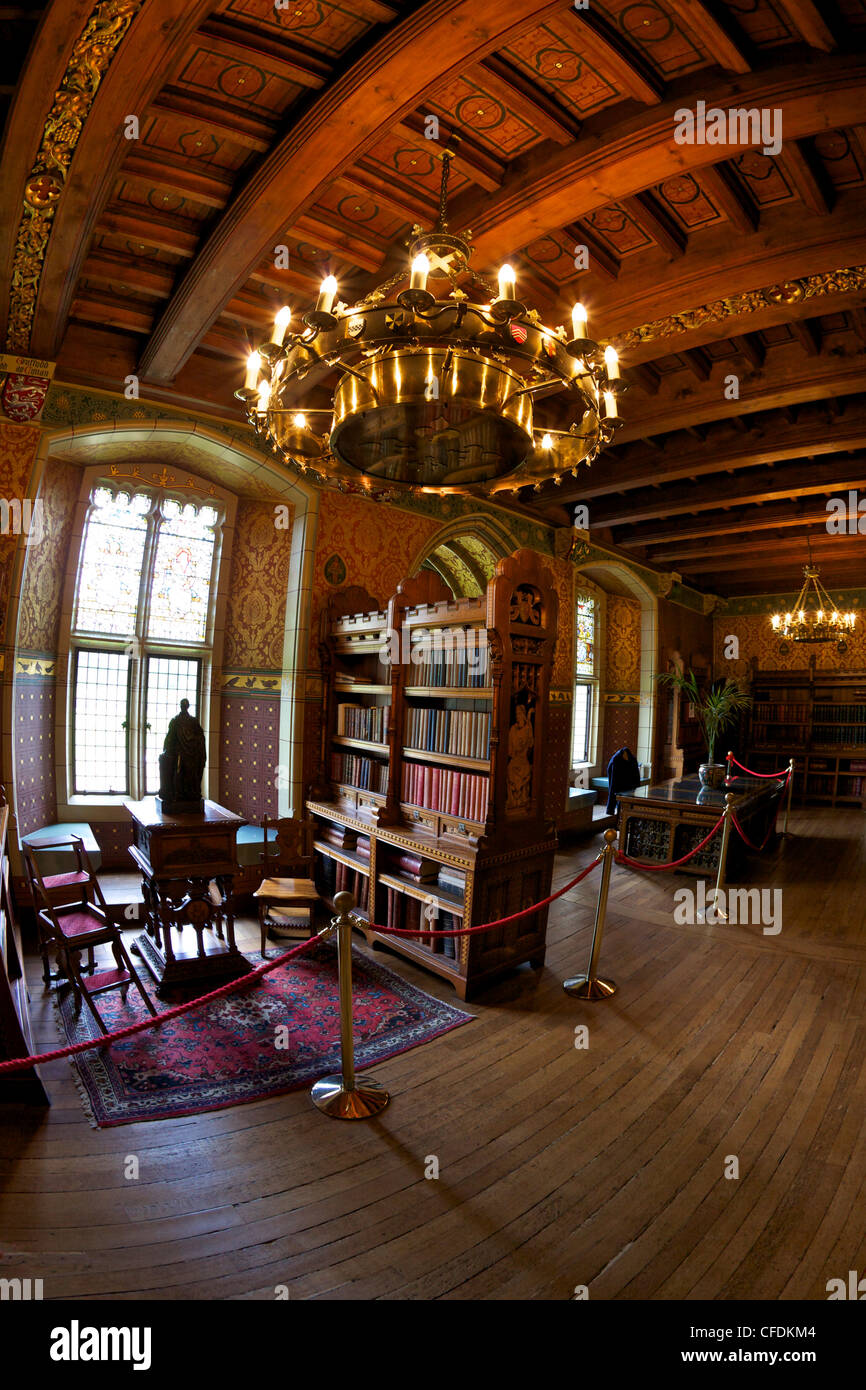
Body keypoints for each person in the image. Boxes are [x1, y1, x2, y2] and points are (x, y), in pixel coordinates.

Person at [158, 699, 206, 807]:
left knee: (190, 774)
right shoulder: (175, 721)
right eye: (182, 705)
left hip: (192, 754)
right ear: (180, 706)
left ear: (187, 706)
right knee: (177, 772)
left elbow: (200, 737)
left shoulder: (193, 721)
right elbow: (170, 738)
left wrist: (194, 744)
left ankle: (189, 794)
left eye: (185, 705)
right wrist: (166, 751)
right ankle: (176, 794)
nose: (184, 707)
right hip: (179, 753)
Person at [507, 702, 534, 809]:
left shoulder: (527, 729)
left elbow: (531, 743)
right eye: (516, 714)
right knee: (510, 769)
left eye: (519, 714)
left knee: (525, 771)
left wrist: (529, 716)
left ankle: (522, 798)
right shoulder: (513, 729)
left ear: (523, 715)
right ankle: (513, 800)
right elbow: (510, 748)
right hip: (515, 759)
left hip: (523, 760)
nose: (517, 716)